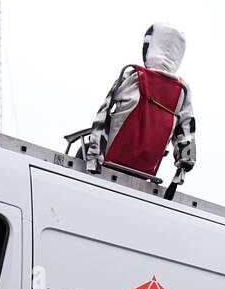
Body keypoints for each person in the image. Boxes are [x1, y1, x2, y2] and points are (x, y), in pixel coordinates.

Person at [84, 23, 196, 190]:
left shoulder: (134, 75)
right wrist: (180, 173)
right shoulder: (182, 91)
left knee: (81, 150)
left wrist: (93, 157)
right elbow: (187, 135)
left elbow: (102, 115)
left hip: (110, 158)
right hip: (146, 168)